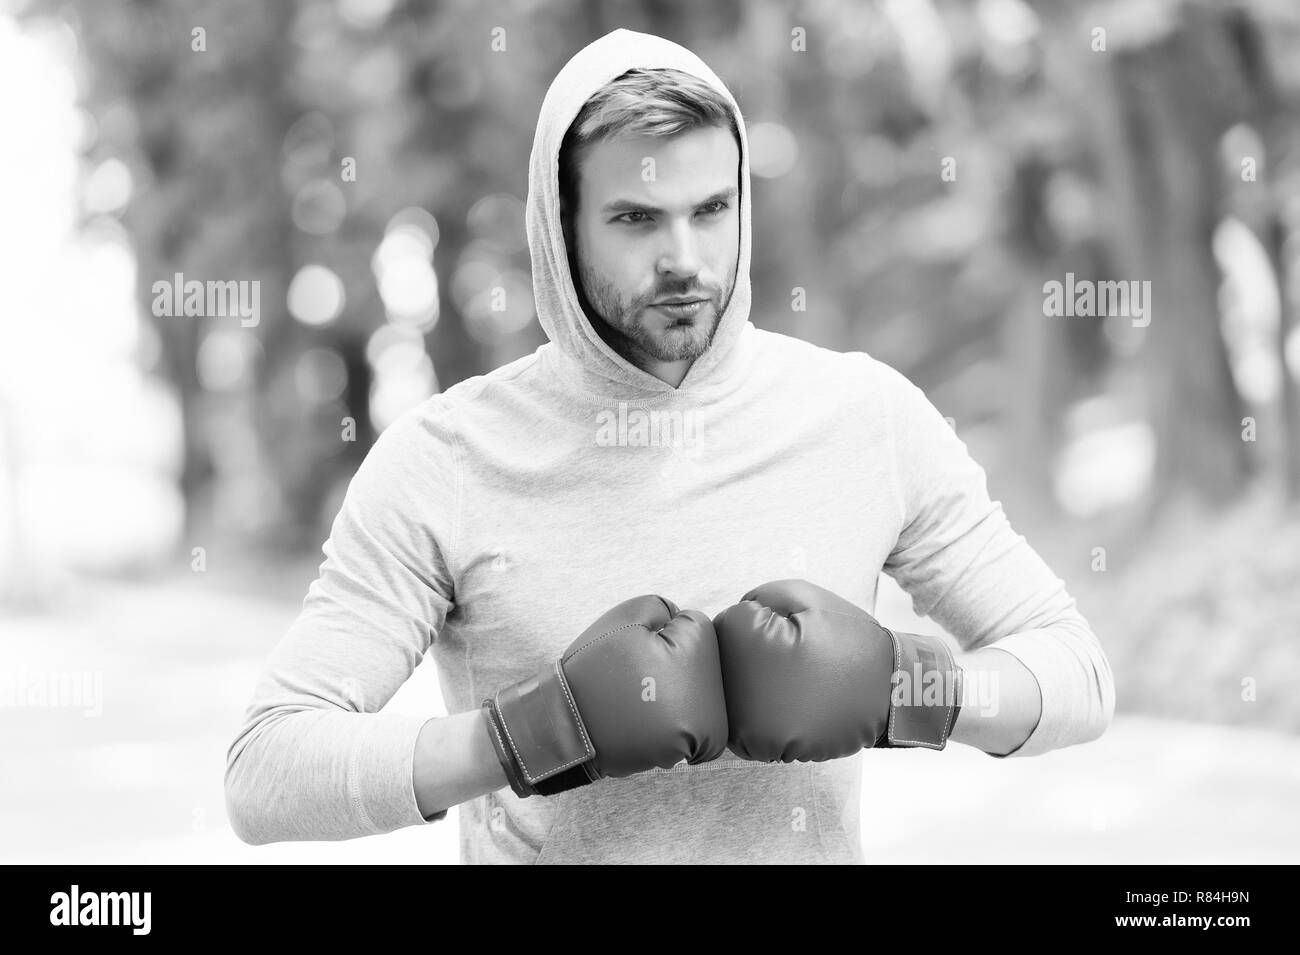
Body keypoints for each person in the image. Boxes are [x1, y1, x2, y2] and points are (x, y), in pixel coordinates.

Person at [224, 28, 1115, 864]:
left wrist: (910, 688)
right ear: (559, 227)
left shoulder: (864, 417)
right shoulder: (448, 459)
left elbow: (1076, 674)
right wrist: (532, 730)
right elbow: (266, 770)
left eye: (712, 208)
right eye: (637, 219)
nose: (685, 257)